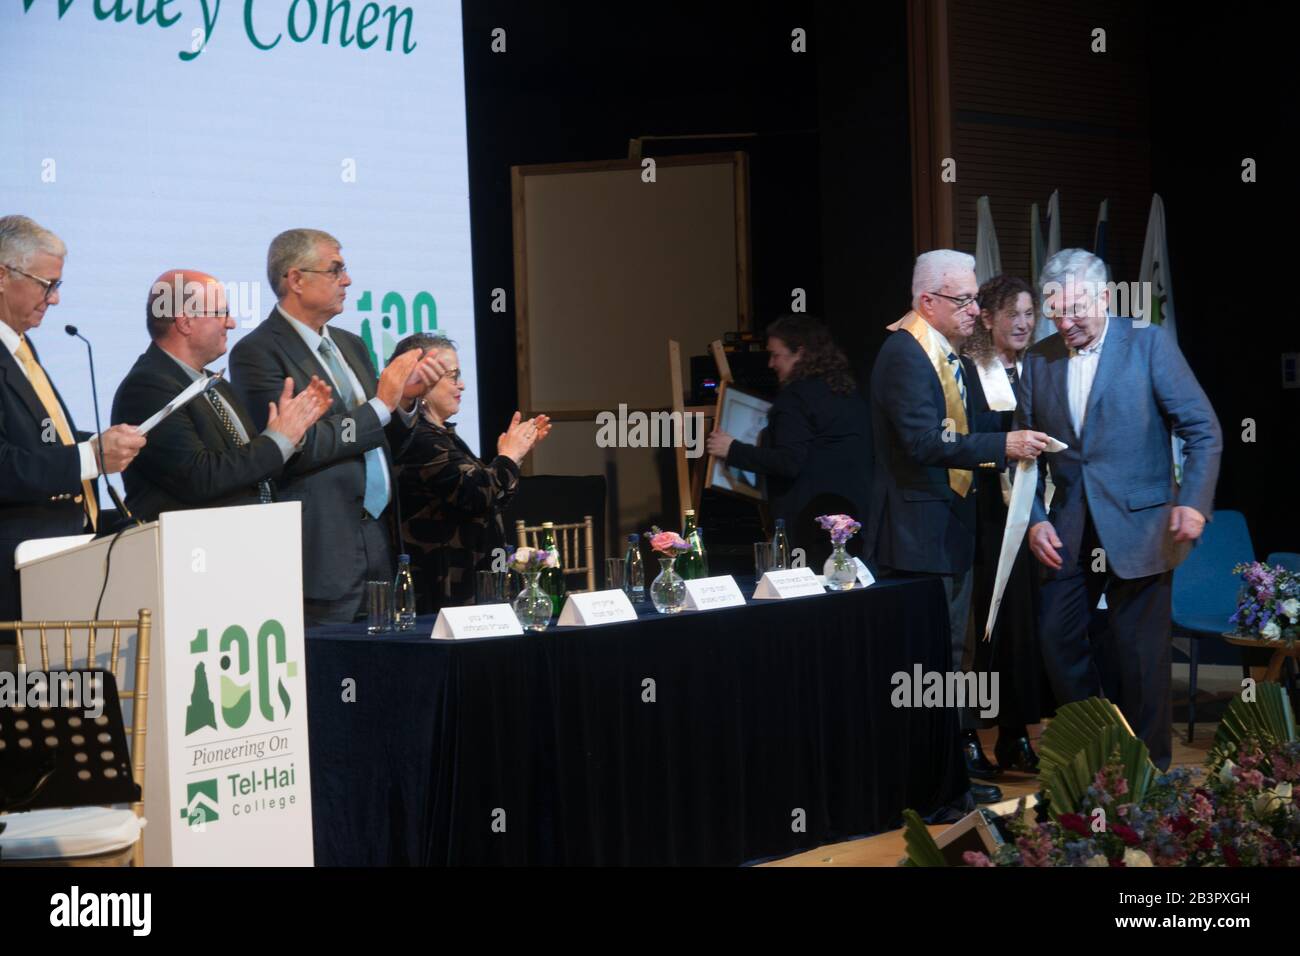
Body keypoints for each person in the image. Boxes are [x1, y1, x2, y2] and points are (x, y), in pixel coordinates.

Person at [1017, 248, 1222, 771]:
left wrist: (1194, 503)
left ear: (1105, 298)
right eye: (1055, 311)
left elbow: (1203, 429)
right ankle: (1099, 754)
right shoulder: (1038, 359)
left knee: (1140, 661)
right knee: (1057, 640)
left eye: (1075, 310)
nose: (1065, 323)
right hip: (1067, 528)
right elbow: (1019, 454)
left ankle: (1148, 775)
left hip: (1142, 527)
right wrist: (1036, 518)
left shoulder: (1148, 344)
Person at [865, 249, 1050, 804]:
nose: (975, 309)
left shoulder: (947, 353)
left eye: (974, 298)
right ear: (928, 301)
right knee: (933, 666)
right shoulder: (904, 354)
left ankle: (949, 781)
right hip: (917, 536)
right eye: (964, 299)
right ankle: (938, 792)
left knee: (951, 661)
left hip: (947, 531)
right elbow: (923, 442)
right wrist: (1004, 445)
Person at [228, 229, 448, 625]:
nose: (347, 280)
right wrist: (381, 403)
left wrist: (405, 402)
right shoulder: (257, 353)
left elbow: (382, 441)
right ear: (295, 279)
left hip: (380, 539)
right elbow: (296, 446)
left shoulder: (351, 344)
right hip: (322, 549)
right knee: (328, 674)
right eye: (336, 270)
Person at [0, 215, 145, 623]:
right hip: (16, 580)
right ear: (2, 276)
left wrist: (102, 442)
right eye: (48, 285)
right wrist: (90, 458)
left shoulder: (21, 347)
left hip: (58, 565)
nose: (55, 298)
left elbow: (36, 441)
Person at [111, 270, 333, 522]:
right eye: (221, 313)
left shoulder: (217, 385)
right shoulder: (147, 388)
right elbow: (201, 478)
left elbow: (248, 467)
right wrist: (277, 440)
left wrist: (290, 435)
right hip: (194, 551)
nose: (231, 323)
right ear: (185, 322)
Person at [391, 333, 550, 612]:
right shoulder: (419, 440)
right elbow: (474, 494)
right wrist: (508, 457)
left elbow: (494, 499)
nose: (461, 385)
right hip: (445, 588)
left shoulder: (443, 434)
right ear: (422, 382)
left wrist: (515, 457)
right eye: (453, 376)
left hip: (473, 581)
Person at [963, 274, 1050, 772]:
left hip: (1030, 516)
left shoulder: (1037, 368)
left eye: (1029, 314)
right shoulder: (974, 371)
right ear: (988, 318)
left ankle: (1017, 734)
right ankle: (971, 732)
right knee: (983, 628)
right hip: (983, 518)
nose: (1022, 323)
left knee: (1020, 629)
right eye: (1011, 314)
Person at [705, 315, 871, 569]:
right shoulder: (845, 390)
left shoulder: (795, 398)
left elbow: (789, 461)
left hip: (812, 525)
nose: (771, 364)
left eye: (776, 355)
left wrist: (732, 449)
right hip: (853, 519)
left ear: (800, 353)